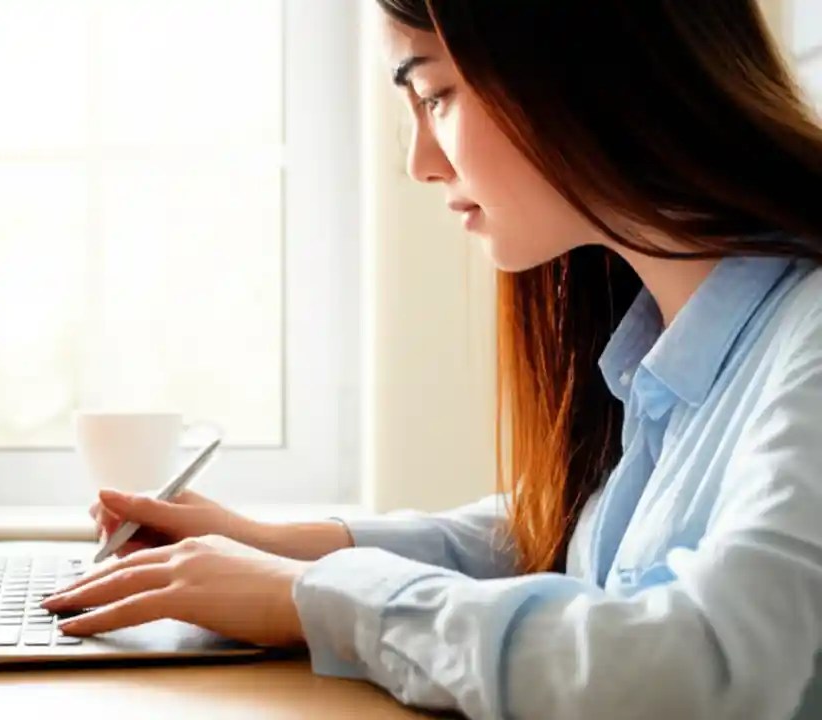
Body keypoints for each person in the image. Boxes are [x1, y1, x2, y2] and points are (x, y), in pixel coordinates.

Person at [42, 2, 822, 718]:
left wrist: (310, 595)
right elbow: (575, 537)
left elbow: (704, 667)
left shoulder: (809, 339)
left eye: (435, 95)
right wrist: (275, 548)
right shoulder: (674, 350)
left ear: (579, 66)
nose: (420, 160)